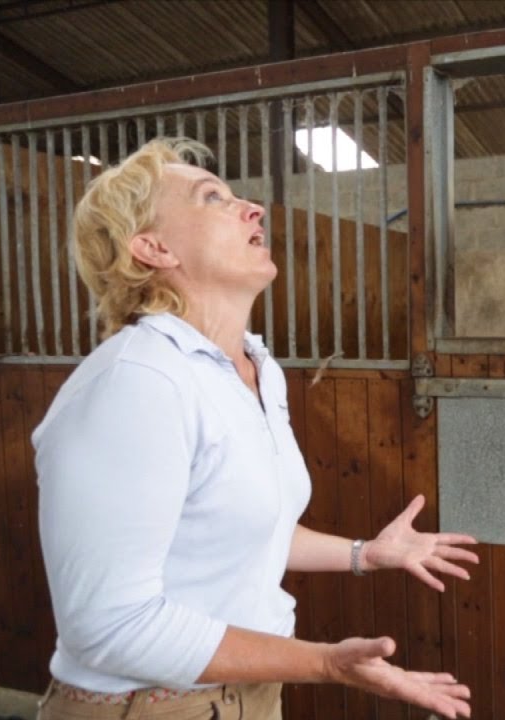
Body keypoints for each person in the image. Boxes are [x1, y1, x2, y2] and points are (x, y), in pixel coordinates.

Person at [32, 137, 478, 719]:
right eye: (212, 198)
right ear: (153, 247)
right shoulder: (137, 381)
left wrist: (365, 554)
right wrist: (323, 663)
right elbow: (109, 626)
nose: (253, 208)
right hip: (146, 708)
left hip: (248, 694)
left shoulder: (255, 368)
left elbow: (236, 529)